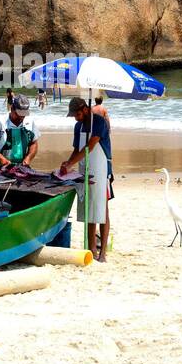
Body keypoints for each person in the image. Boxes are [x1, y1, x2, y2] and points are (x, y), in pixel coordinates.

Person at [59, 97, 111, 262]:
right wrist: (68, 163)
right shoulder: (78, 126)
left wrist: (71, 164)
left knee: (102, 208)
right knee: (88, 206)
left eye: (77, 114)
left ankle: (102, 252)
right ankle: (91, 249)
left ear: (85, 109)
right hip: (85, 167)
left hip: (101, 167)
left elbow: (90, 146)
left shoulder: (100, 122)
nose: (76, 117)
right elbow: (77, 150)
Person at [0, 94, 38, 177]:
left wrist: (28, 158)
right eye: (18, 114)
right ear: (12, 109)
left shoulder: (30, 122)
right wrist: (2, 159)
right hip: (1, 167)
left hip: (22, 167)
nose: (21, 118)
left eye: (24, 115)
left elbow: (34, 143)